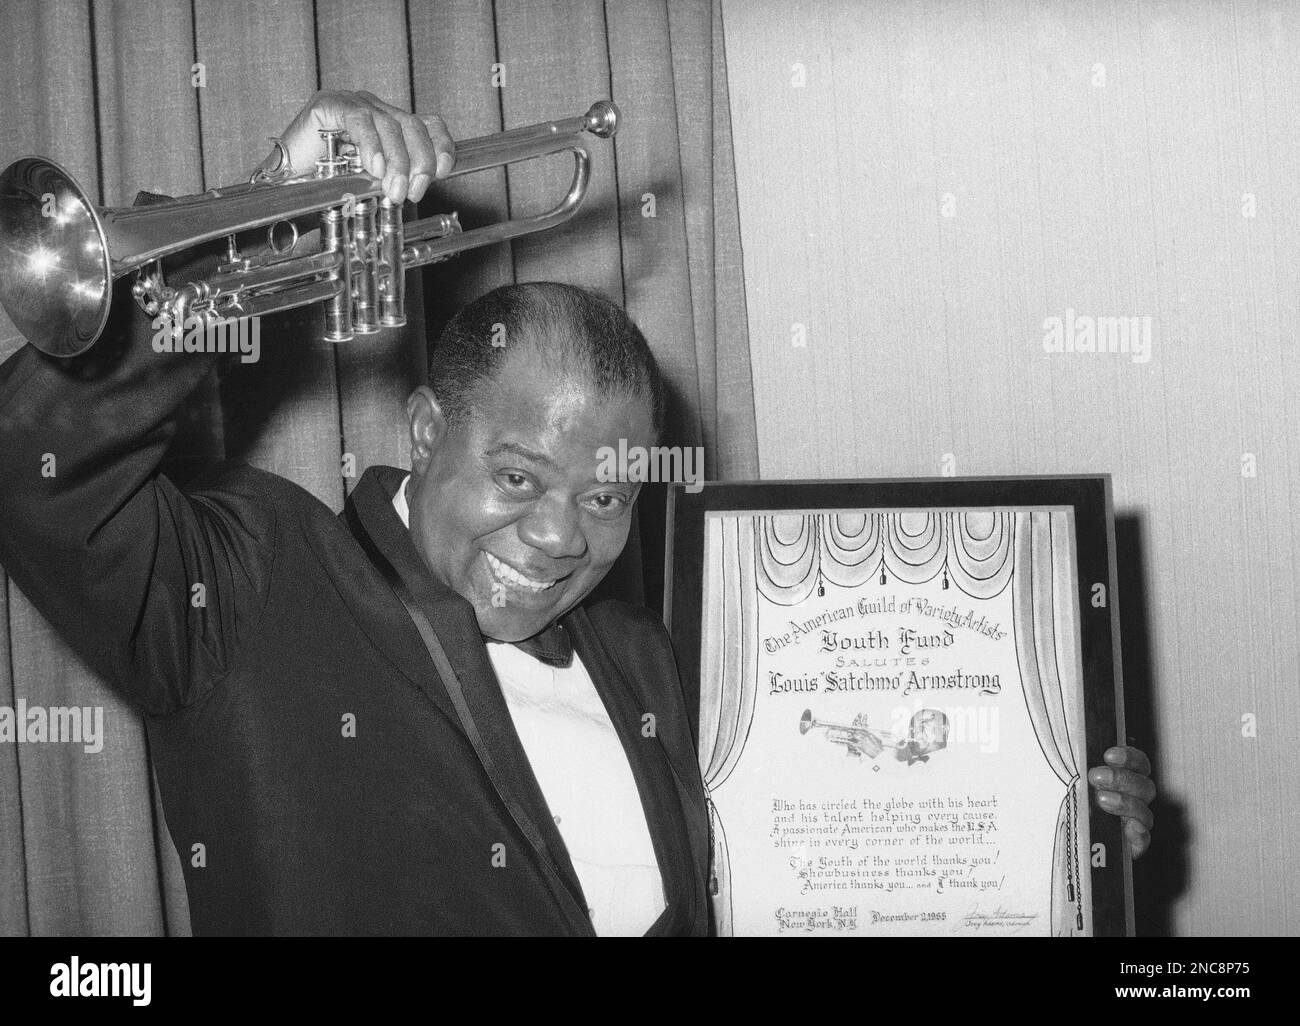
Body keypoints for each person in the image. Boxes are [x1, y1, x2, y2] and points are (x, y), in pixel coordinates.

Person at [0, 91, 1153, 936]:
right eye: (515, 477)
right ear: (421, 434)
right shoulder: (247, 591)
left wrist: (1048, 836)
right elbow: (37, 468)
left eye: (604, 496)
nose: (561, 540)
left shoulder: (657, 657)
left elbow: (825, 871)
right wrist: (263, 215)